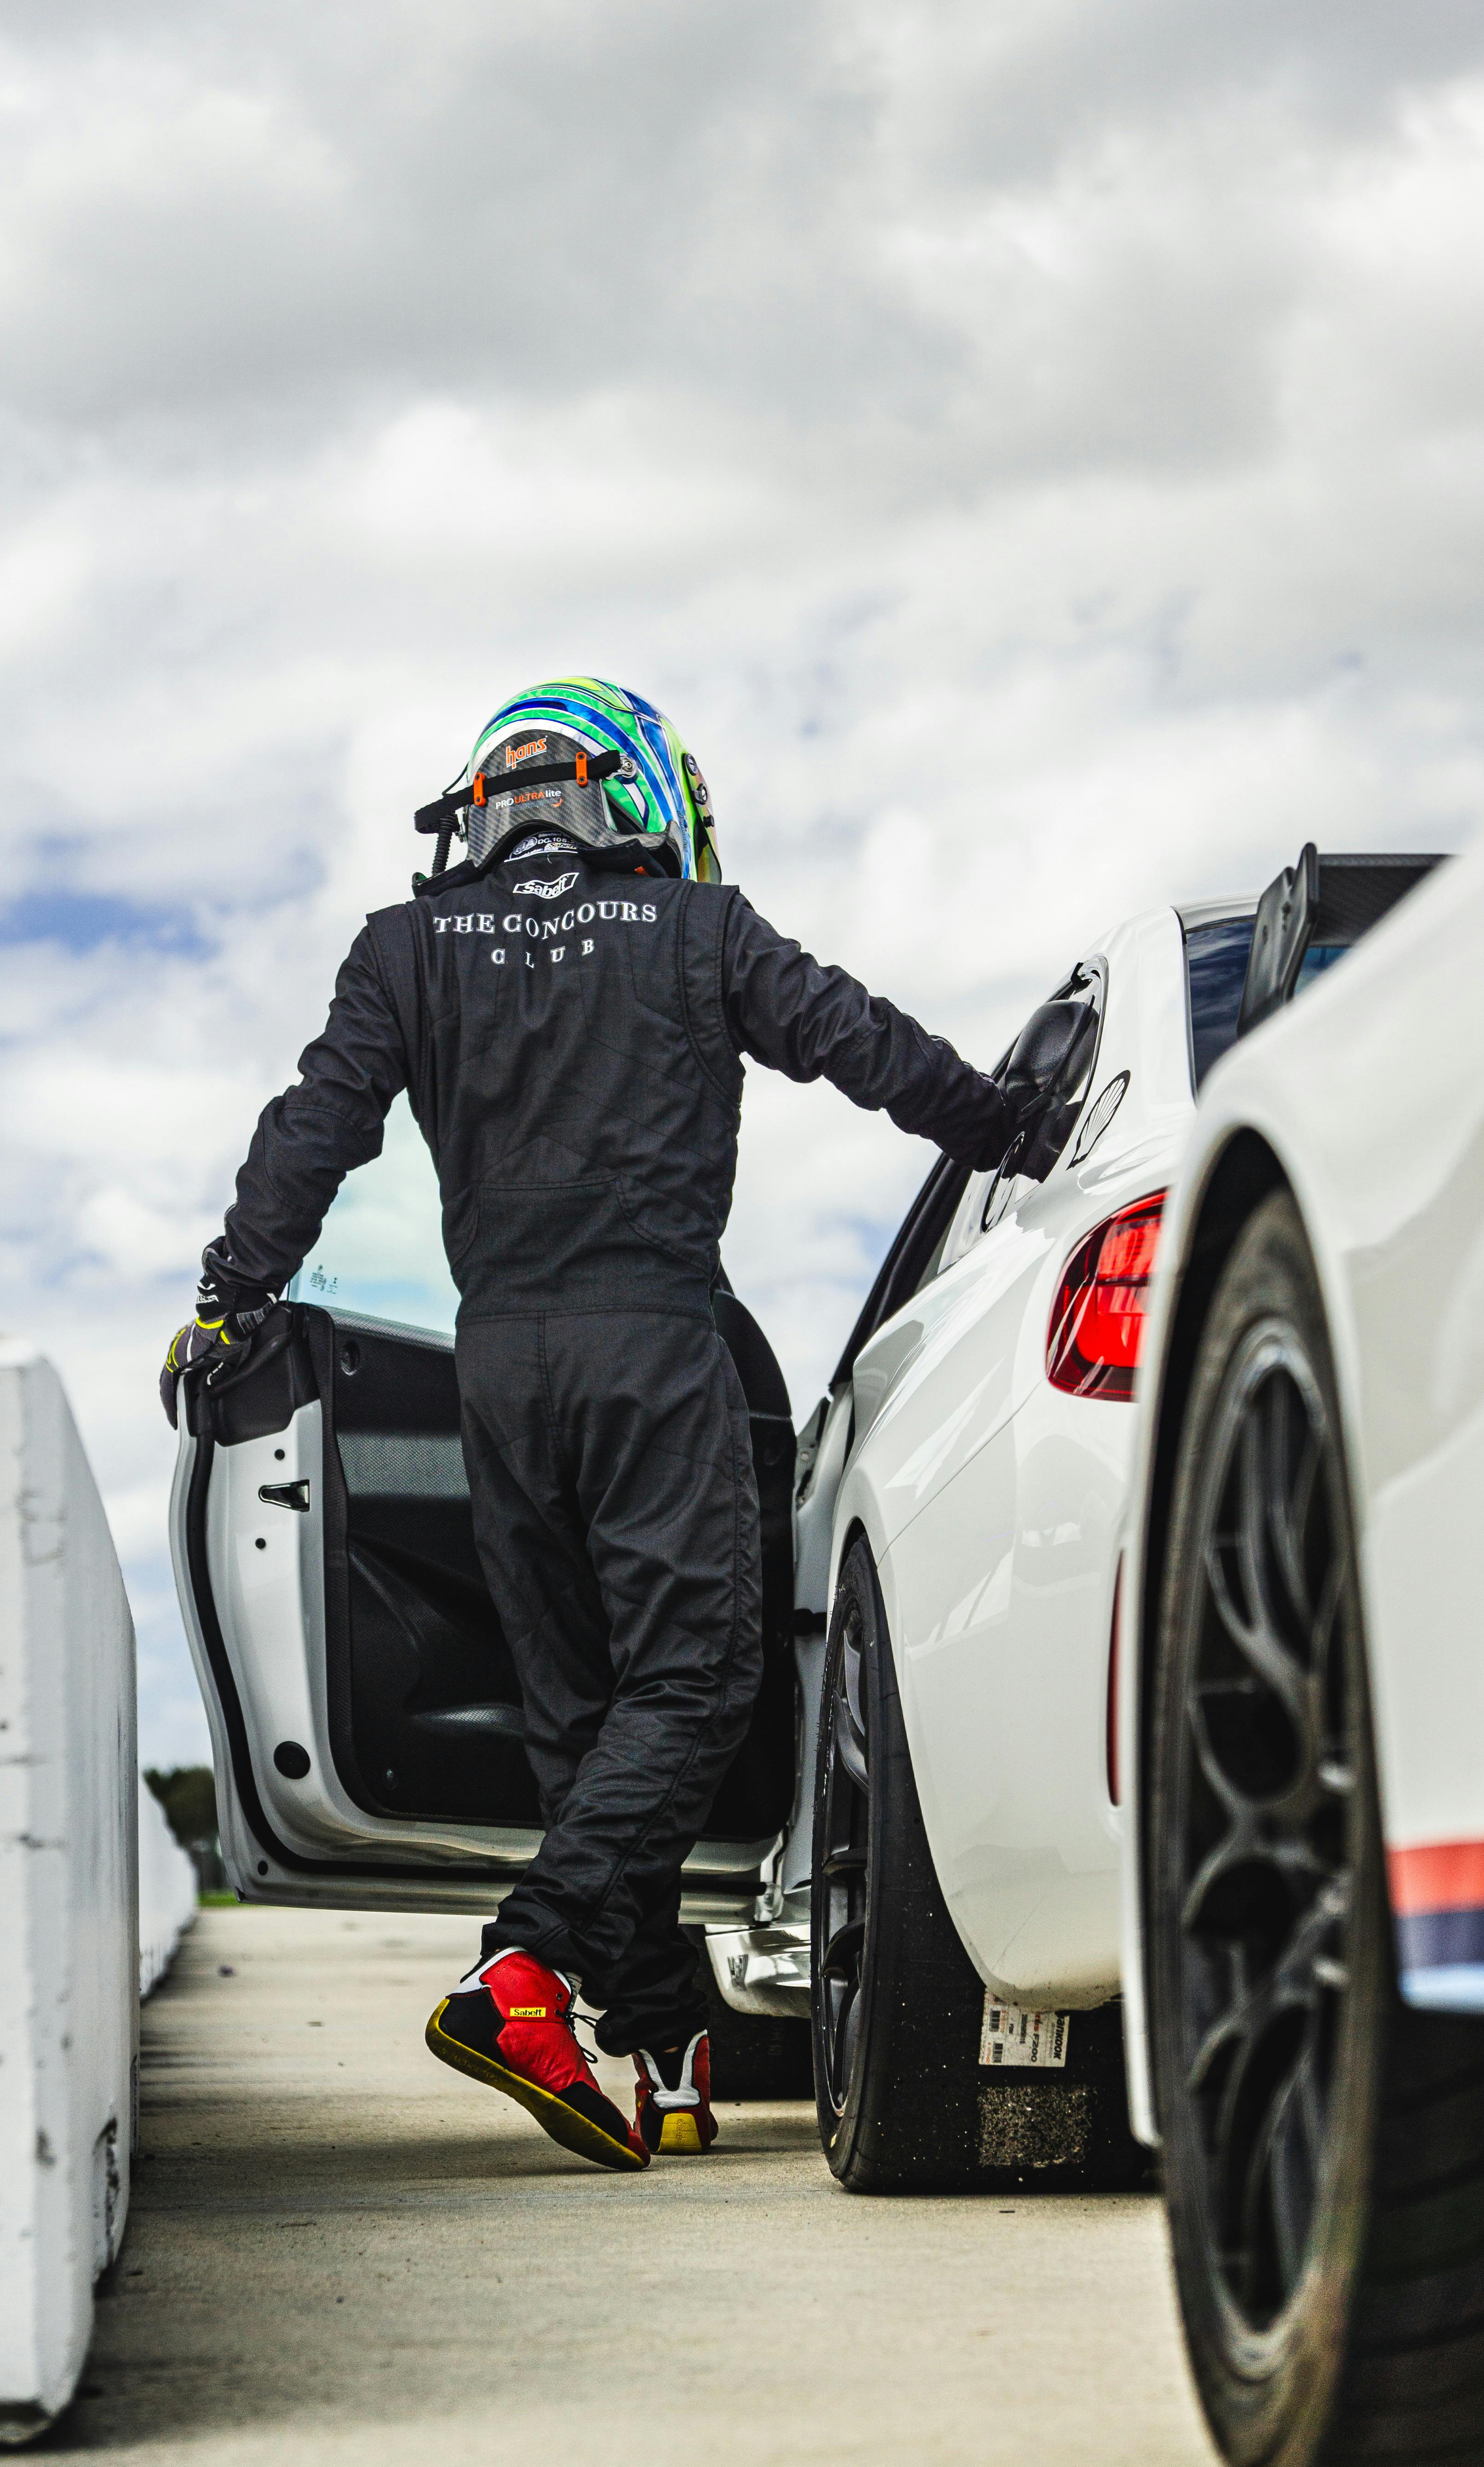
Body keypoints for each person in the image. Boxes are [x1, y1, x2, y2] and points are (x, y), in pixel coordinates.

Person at [162, 678, 1021, 2173]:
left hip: (499, 1366)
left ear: (481, 807)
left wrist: (234, 1296)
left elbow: (313, 1127)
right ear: (639, 798)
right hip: (655, 1344)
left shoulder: (405, 948)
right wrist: (1016, 1128)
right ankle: (528, 1971)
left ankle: (658, 2026)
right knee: (695, 1679)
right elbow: (861, 1045)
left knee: (576, 1720)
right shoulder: (699, 928)